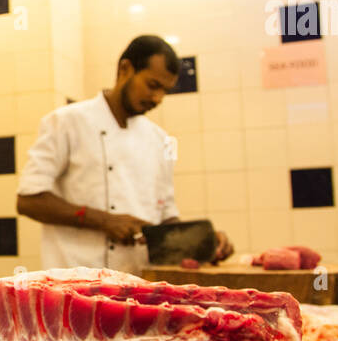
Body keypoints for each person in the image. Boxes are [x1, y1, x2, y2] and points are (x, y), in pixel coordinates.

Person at [15, 34, 233, 273]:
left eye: (165, 91)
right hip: (73, 284)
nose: (158, 98)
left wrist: (203, 241)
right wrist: (105, 221)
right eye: (153, 85)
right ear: (125, 69)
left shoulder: (160, 140)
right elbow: (29, 200)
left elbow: (166, 217)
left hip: (137, 286)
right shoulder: (66, 122)